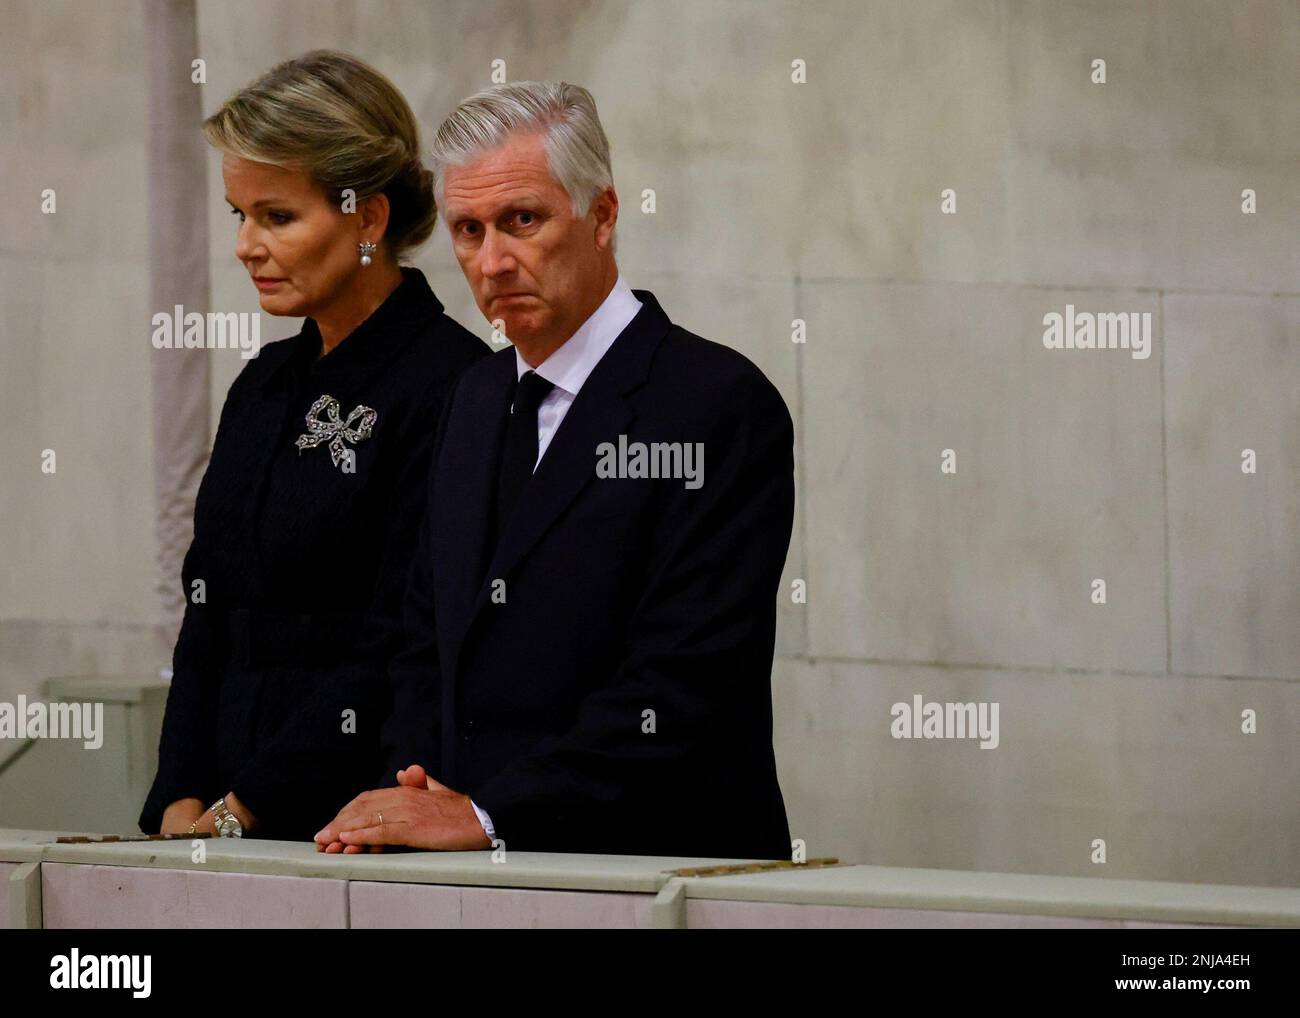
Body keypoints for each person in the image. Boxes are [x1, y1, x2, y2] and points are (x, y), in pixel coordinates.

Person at [316, 81, 794, 859]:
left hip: (662, 870)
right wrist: (415, 791)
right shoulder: (470, 398)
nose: (494, 261)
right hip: (468, 881)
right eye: (469, 231)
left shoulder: (715, 403)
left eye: (522, 220)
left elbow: (685, 682)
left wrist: (489, 815)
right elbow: (421, 641)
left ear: (602, 215)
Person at [139, 51, 487, 841]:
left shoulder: (456, 388)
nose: (245, 246)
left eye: (278, 217)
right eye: (240, 216)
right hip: (217, 820)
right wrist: (181, 796)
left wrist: (246, 807)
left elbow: (405, 641)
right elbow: (207, 613)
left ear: (368, 220)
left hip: (360, 827)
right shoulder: (261, 387)